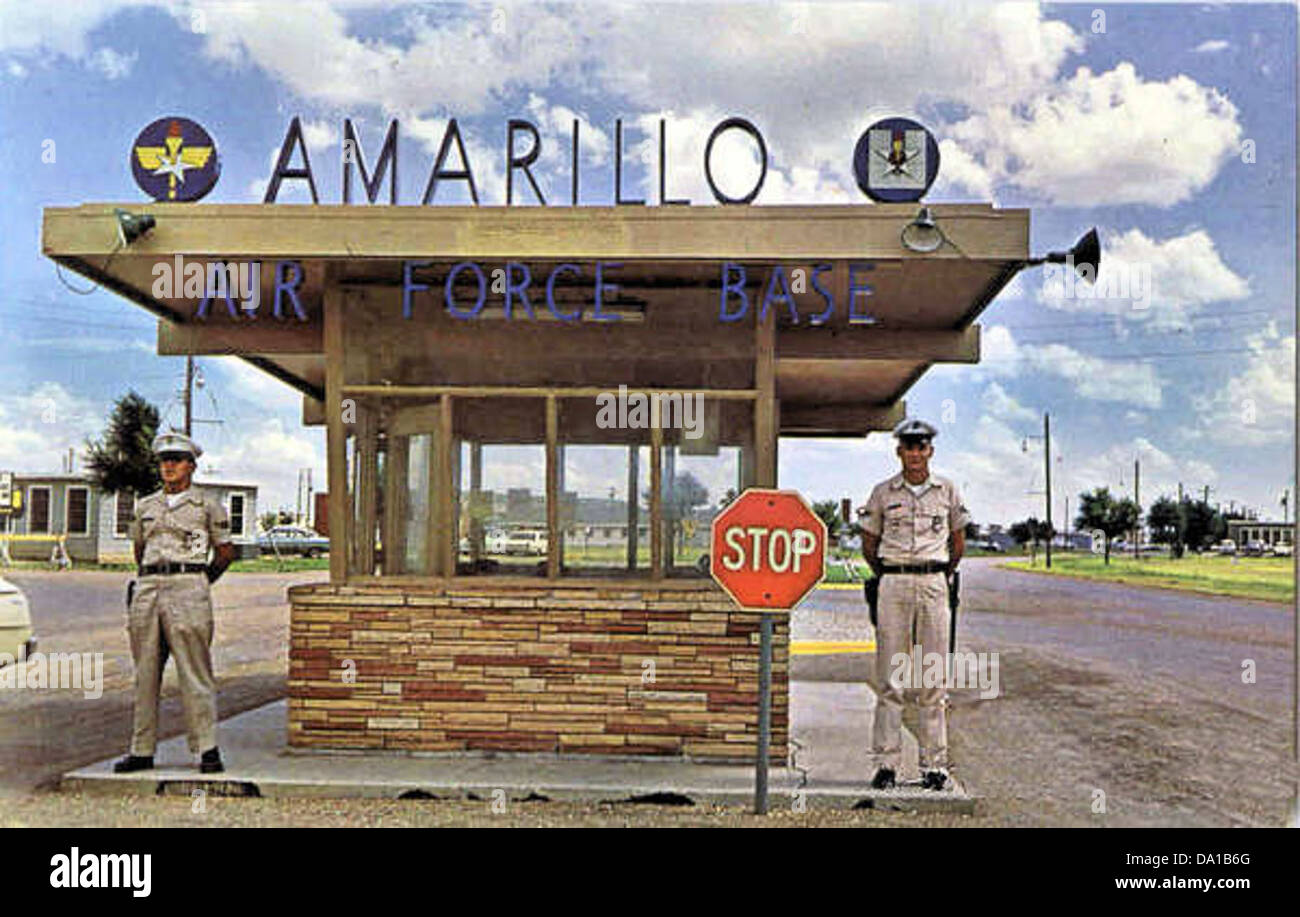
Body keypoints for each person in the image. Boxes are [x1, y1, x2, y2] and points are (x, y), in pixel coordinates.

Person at [113, 432, 236, 775]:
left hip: (189, 585)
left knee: (194, 670)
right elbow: (138, 550)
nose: (168, 466)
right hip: (149, 584)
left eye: (177, 460)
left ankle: (207, 748)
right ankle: (141, 749)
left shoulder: (207, 506)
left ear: (192, 466)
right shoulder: (145, 506)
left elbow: (225, 552)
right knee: (145, 672)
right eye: (164, 460)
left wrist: (198, 581)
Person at [858, 417, 969, 791]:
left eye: (922, 446)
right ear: (899, 451)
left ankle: (934, 766)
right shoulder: (882, 493)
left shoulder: (947, 491)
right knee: (891, 678)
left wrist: (939, 574)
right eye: (909, 446)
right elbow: (869, 545)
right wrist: (894, 573)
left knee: (933, 678)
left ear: (930, 451)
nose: (916, 453)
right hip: (894, 582)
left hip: (934, 582)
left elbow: (957, 541)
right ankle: (887, 763)